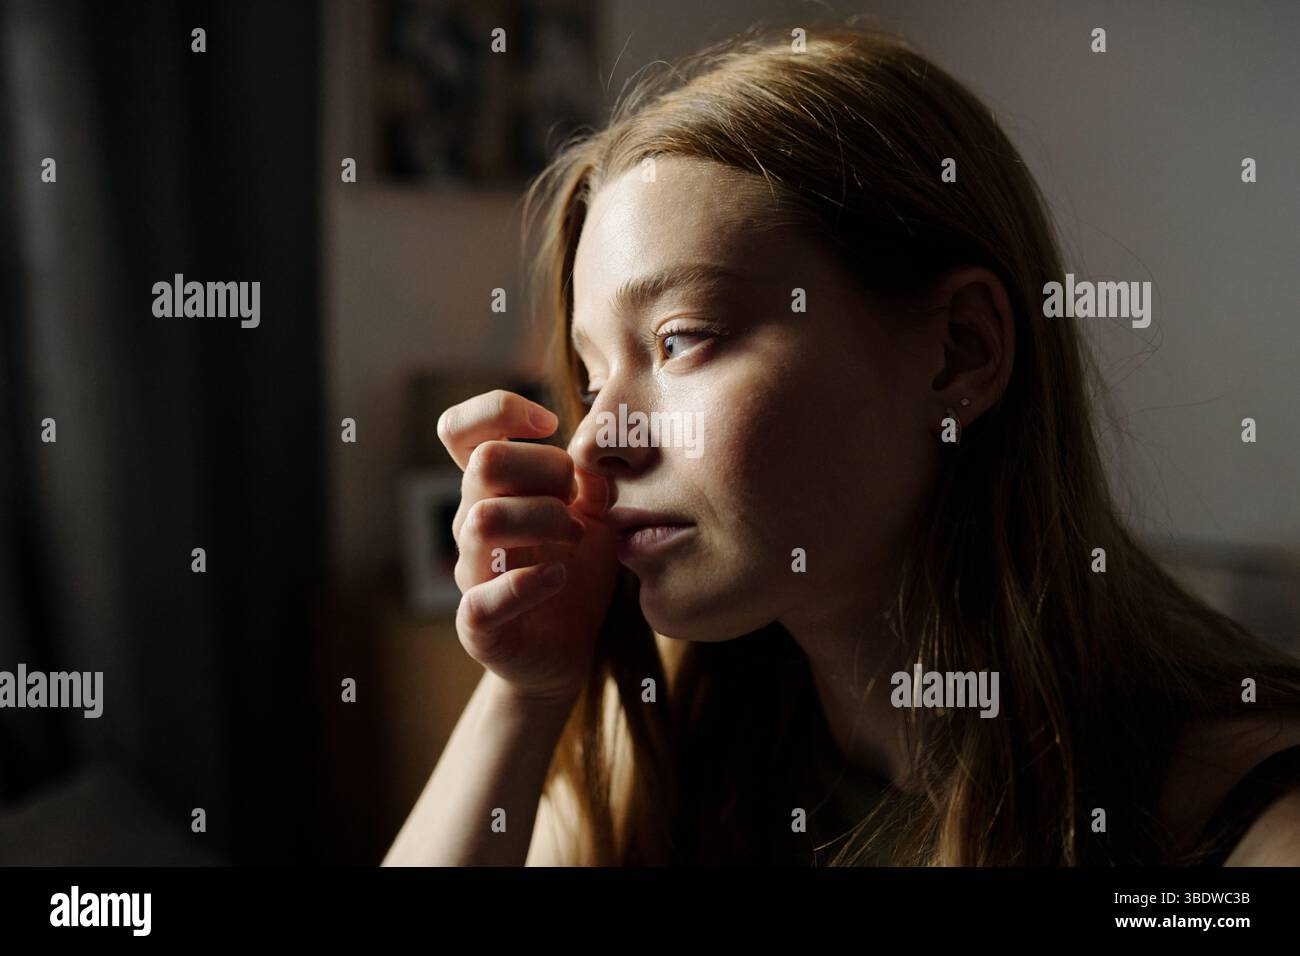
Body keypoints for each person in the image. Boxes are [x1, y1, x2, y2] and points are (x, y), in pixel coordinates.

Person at [383, 24, 1300, 867]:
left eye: (680, 339)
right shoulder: (680, 738)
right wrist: (526, 695)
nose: (596, 442)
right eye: (588, 379)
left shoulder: (1245, 830)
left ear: (960, 352)